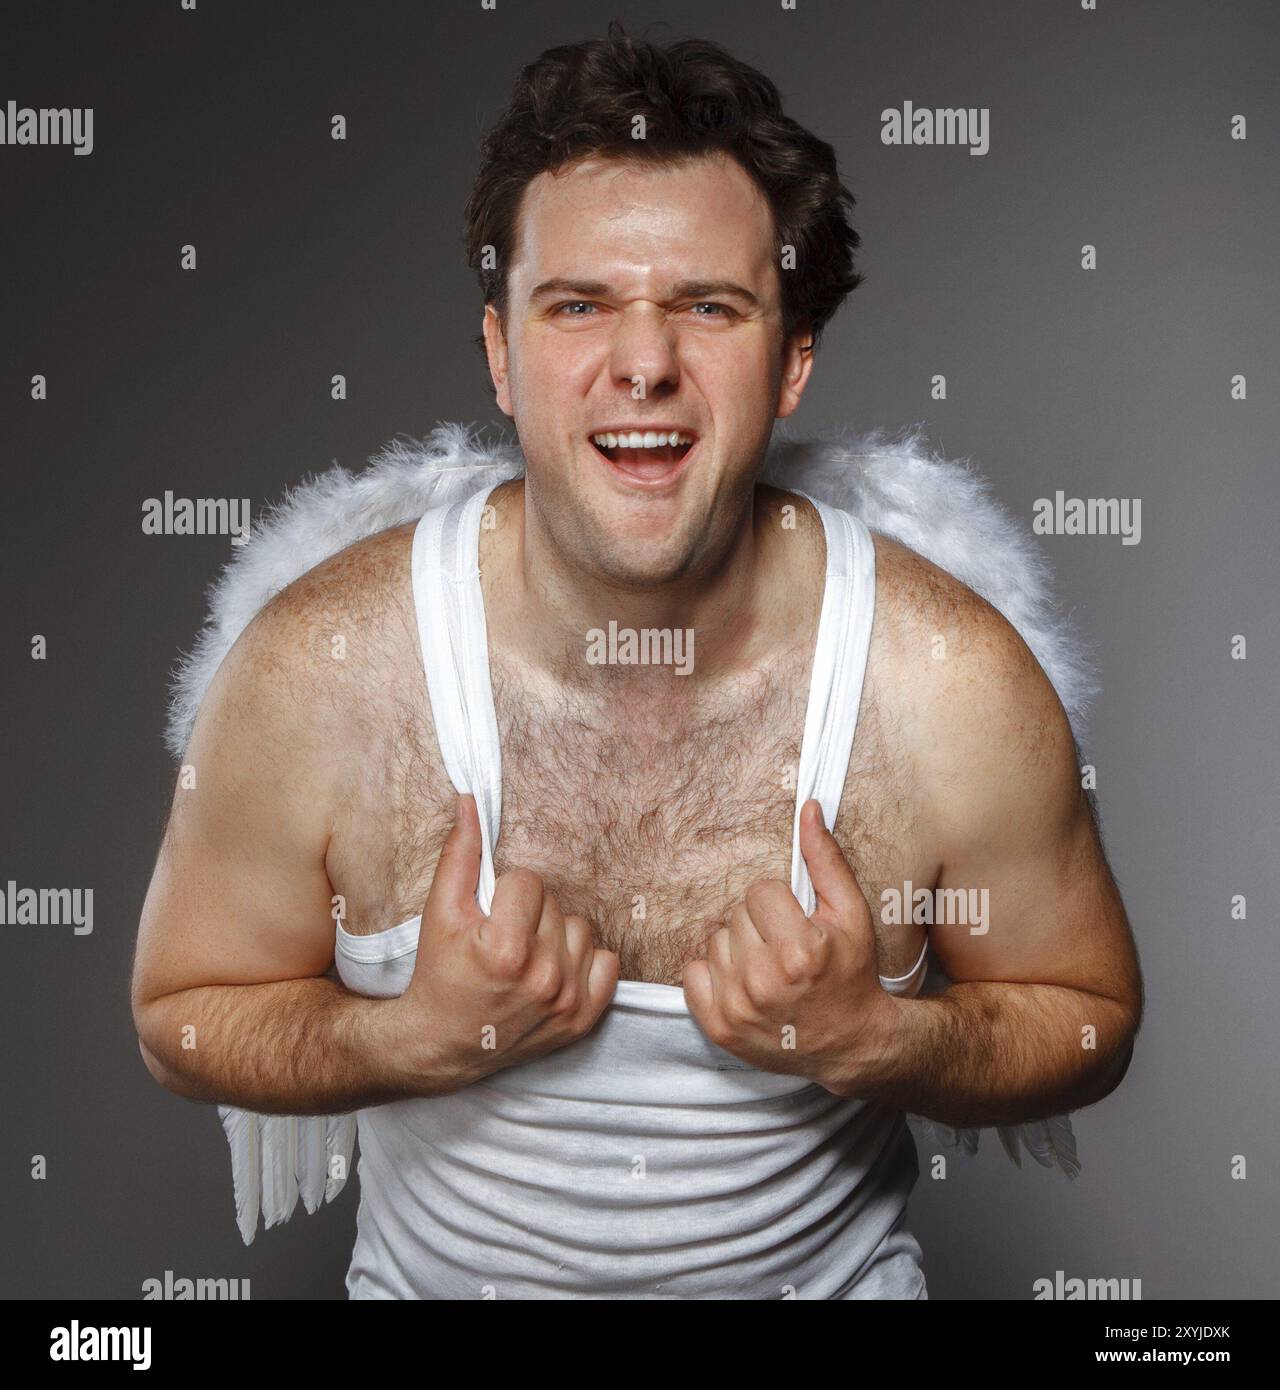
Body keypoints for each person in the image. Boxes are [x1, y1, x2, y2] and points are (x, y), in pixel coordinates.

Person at [131, 24, 1142, 1299]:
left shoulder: (944, 681)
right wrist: (412, 1037)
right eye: (577, 305)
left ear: (793, 359)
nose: (644, 364)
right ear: (499, 352)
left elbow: (1090, 1015)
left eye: (708, 307)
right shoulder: (323, 670)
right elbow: (180, 1015)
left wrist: (880, 1037)